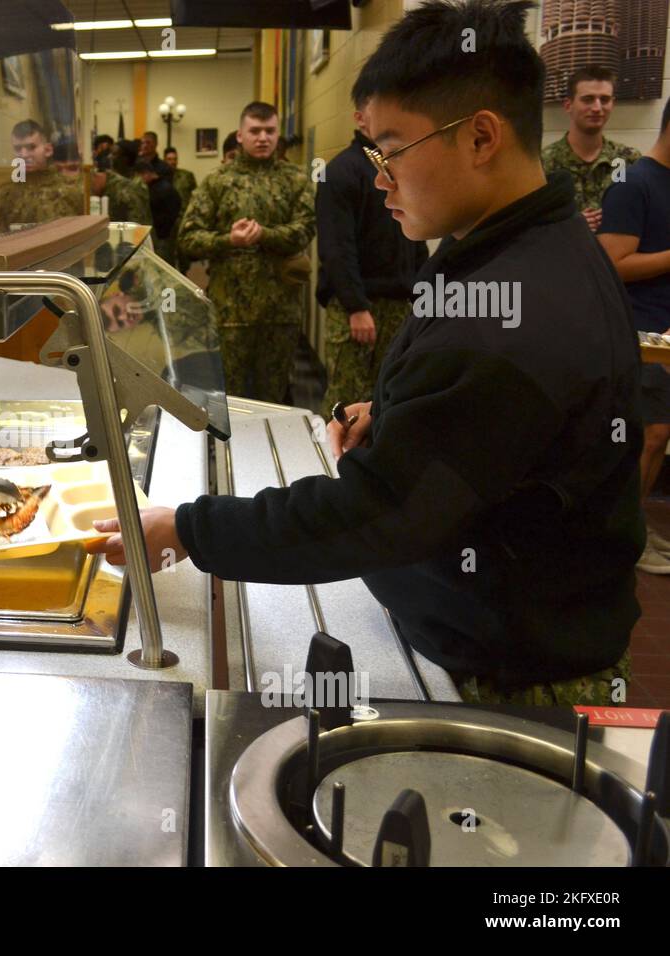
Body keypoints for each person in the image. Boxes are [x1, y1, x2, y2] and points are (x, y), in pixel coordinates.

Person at [93, 0, 642, 707]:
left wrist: (189, 529)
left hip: (508, 682)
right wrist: (390, 418)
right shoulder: (519, 248)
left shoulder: (517, 310)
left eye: (394, 149)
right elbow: (485, 443)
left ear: (480, 137)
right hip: (477, 633)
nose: (379, 176)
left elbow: (378, 512)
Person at [176, 101, 315, 403]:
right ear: (240, 135)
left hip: (280, 311)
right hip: (230, 312)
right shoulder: (218, 181)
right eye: (255, 131)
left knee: (273, 398)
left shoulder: (296, 180)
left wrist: (264, 234)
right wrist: (229, 240)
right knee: (231, 400)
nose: (263, 137)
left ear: (278, 135)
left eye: (270, 131)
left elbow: (305, 230)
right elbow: (188, 238)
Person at [317, 93, 430, 420]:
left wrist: (423, 293)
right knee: (346, 400)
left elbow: (415, 237)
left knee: (388, 395)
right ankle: (335, 467)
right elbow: (336, 247)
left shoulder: (400, 166)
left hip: (399, 303)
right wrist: (356, 307)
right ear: (360, 119)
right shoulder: (340, 171)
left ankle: (372, 467)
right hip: (358, 305)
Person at [598, 99, 670, 574]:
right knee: (647, 437)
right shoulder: (633, 182)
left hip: (667, 334)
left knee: (658, 439)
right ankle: (622, 536)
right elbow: (613, 263)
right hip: (641, 336)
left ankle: (636, 524)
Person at [541, 65, 640, 233]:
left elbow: (640, 213)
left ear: (612, 104)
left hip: (615, 255)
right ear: (568, 105)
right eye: (588, 99)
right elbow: (531, 225)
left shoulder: (626, 160)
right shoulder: (544, 163)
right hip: (565, 255)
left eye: (605, 99)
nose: (597, 108)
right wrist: (569, 225)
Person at [0, 119, 84, 231]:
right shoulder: (3, 195)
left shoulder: (72, 188)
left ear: (48, 150)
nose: (24, 154)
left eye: (31, 147)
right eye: (18, 149)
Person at [91, 139, 152, 226]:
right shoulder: (111, 180)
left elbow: (137, 221)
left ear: (125, 159)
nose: (109, 157)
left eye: (114, 154)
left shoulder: (136, 186)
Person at [137, 157, 181, 267]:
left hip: (163, 236)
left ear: (146, 173)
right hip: (162, 234)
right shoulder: (162, 186)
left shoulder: (162, 189)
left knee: (164, 266)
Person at [164, 146, 198, 275]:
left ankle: (184, 272)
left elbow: (196, 197)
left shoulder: (187, 176)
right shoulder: (161, 178)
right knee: (167, 254)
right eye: (169, 159)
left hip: (184, 219)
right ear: (164, 160)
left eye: (174, 159)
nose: (172, 162)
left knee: (183, 252)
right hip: (167, 221)